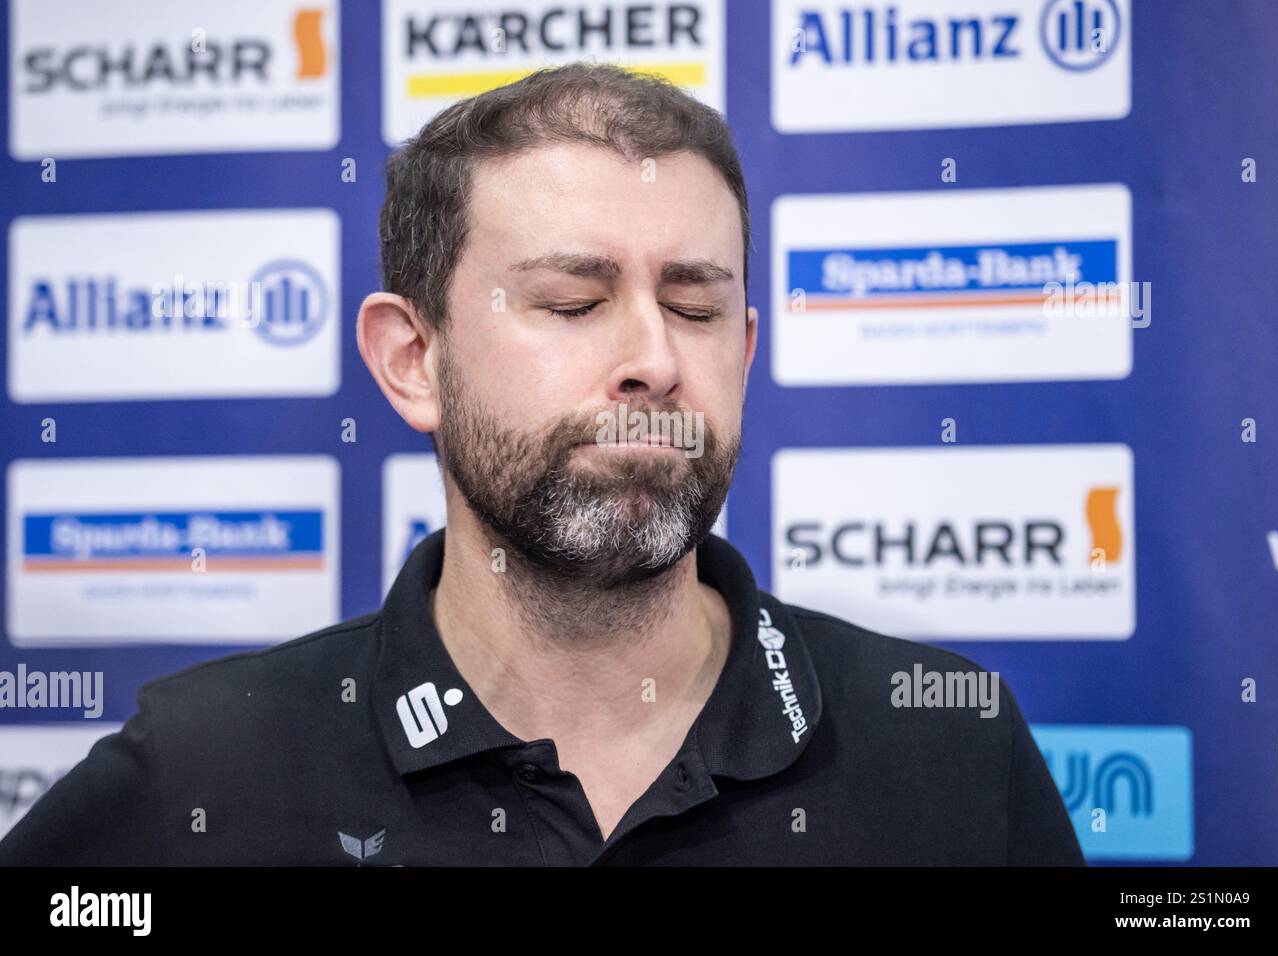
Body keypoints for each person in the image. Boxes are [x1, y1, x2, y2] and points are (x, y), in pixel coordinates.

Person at [0, 62, 1083, 866]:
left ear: (745, 350)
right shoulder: (204, 773)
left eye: (694, 306)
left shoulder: (950, 746)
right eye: (573, 303)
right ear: (413, 360)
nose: (654, 361)